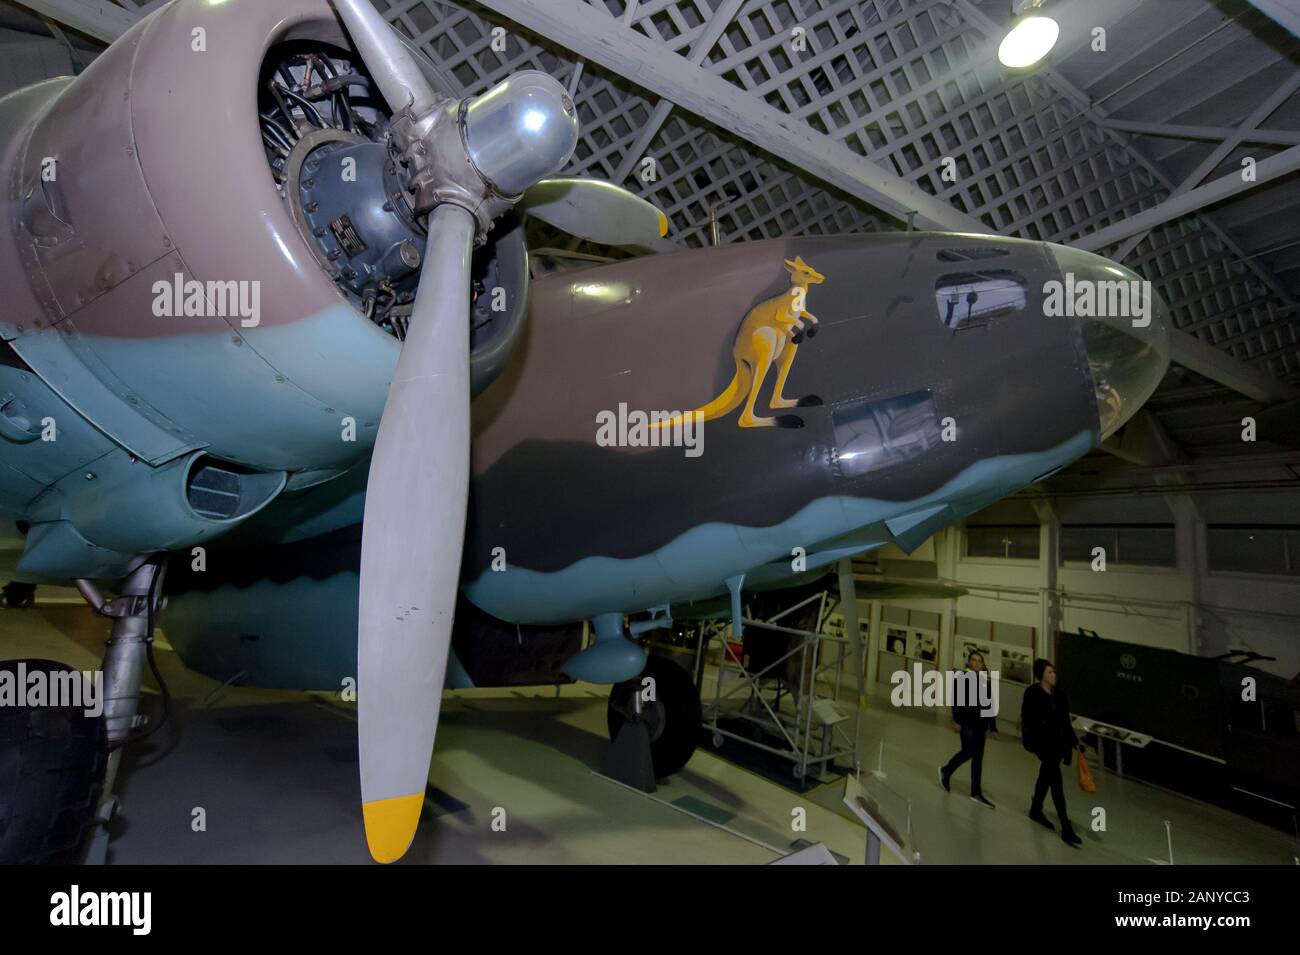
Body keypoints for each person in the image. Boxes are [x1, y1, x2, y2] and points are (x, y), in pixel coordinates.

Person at [1019, 658, 1085, 848]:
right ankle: (1065, 826)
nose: (1054, 675)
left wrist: (1075, 742)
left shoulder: (1060, 696)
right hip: (1040, 743)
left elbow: (1065, 722)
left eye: (1054, 672)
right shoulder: (1032, 693)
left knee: (1046, 775)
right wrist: (1036, 735)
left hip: (1057, 744)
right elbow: (1027, 718)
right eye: (1050, 672)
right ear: (1041, 675)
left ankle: (1035, 809)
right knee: (1055, 780)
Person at [939, 650, 998, 808]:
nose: (977, 663)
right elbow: (956, 700)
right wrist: (957, 720)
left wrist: (993, 727)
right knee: (968, 751)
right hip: (967, 723)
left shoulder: (986, 681)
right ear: (969, 662)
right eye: (974, 660)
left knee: (978, 759)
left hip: (981, 726)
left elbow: (989, 704)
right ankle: (946, 770)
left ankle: (976, 792)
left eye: (980, 661)